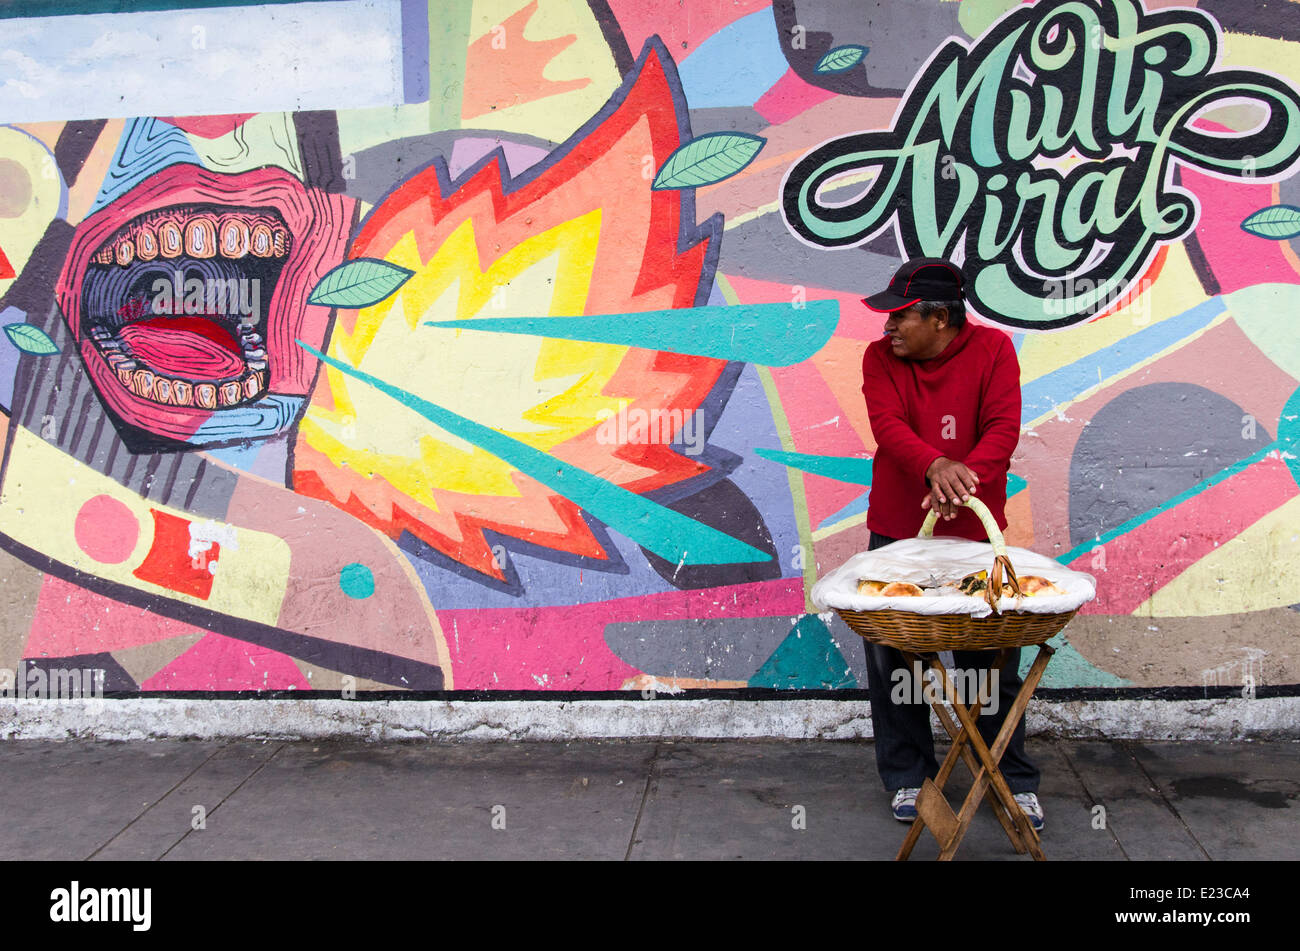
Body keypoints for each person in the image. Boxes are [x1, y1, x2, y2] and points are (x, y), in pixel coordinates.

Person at [858, 257, 1044, 831]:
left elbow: (1002, 430)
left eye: (900, 316)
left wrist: (961, 478)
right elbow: (888, 426)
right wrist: (935, 464)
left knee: (989, 662)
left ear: (940, 318)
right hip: (899, 526)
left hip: (973, 531)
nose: (888, 327)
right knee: (898, 661)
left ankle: (1009, 777)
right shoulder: (878, 358)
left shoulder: (993, 351)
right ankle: (908, 775)